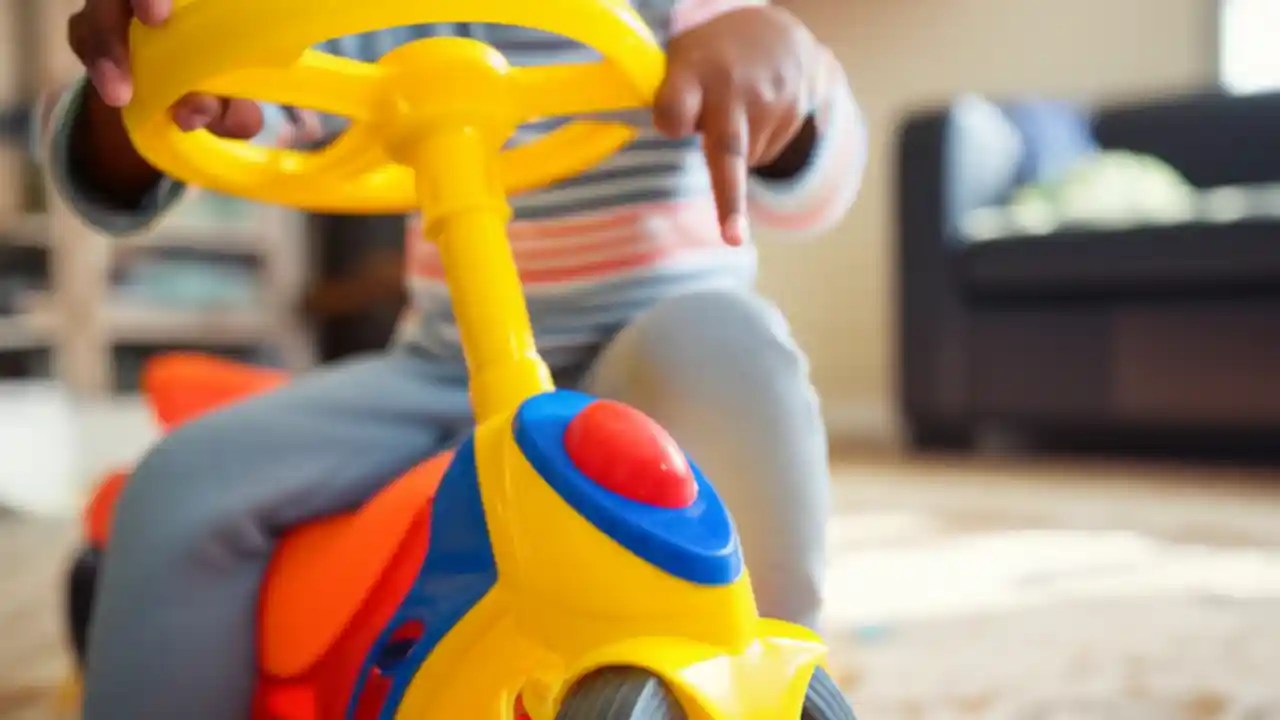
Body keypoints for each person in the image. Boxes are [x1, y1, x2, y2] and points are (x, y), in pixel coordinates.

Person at [50, 0, 867, 716]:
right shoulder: (383, 15)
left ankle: (764, 680)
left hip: (653, 355)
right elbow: (199, 122)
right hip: (441, 373)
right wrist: (150, 73)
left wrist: (787, 84)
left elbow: (817, 187)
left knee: (733, 350)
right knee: (180, 482)